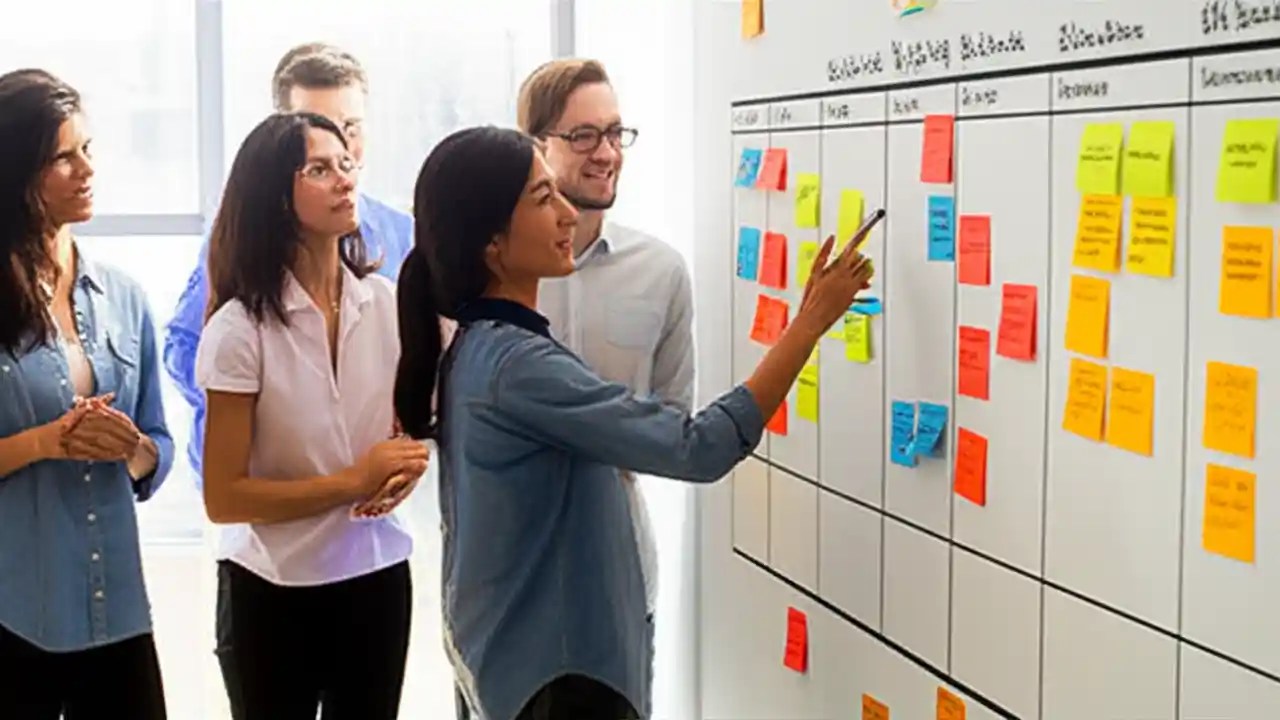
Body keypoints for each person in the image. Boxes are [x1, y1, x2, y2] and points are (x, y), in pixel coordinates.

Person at [393, 126, 875, 720]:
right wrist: (809, 324)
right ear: (493, 243)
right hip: (558, 681)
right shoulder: (518, 367)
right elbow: (700, 447)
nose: (569, 214)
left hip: (526, 666)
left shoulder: (483, 347)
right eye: (543, 199)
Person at [194, 111, 428, 719]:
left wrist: (411, 461)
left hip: (377, 579)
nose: (344, 180)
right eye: (319, 169)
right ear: (276, 194)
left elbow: (423, 425)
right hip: (270, 593)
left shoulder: (385, 304)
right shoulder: (238, 330)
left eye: (345, 163)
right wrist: (353, 482)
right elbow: (225, 498)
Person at [0, 68, 174, 718]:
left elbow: (157, 445)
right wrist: (48, 442)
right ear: (17, 174)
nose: (86, 169)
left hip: (117, 612)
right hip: (13, 617)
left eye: (89, 150)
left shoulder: (124, 295)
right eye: (62, 157)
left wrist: (132, 449)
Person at [164, 42, 413, 485]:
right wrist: (269, 416)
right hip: (263, 495)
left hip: (371, 491)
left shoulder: (404, 237)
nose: (341, 144)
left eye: (351, 127)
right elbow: (187, 349)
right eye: (319, 125)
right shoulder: (238, 238)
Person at [516, 57, 692, 623]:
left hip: (617, 570)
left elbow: (672, 425)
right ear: (536, 145)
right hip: (507, 574)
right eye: (584, 135)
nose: (607, 152)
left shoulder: (660, 271)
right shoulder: (488, 270)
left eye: (615, 133)